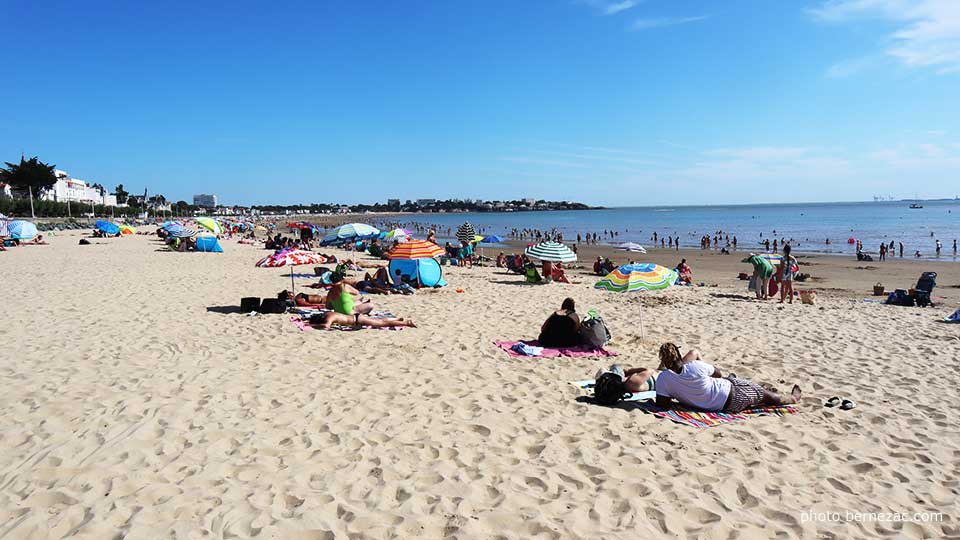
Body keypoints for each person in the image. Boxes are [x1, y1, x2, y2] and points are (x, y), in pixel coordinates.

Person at [654, 343, 801, 413]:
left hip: (725, 394)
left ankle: (761, 390)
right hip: (730, 397)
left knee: (745, 385)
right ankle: (792, 399)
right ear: (679, 354)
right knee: (766, 397)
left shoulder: (663, 379)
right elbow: (718, 374)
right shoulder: (695, 366)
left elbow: (663, 404)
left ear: (663, 361)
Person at [311, 311, 416, 330]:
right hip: (356, 317)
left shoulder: (329, 318)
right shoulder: (329, 313)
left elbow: (326, 326)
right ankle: (396, 319)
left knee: (381, 323)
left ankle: (406, 323)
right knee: (379, 320)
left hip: (357, 320)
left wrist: (313, 326)